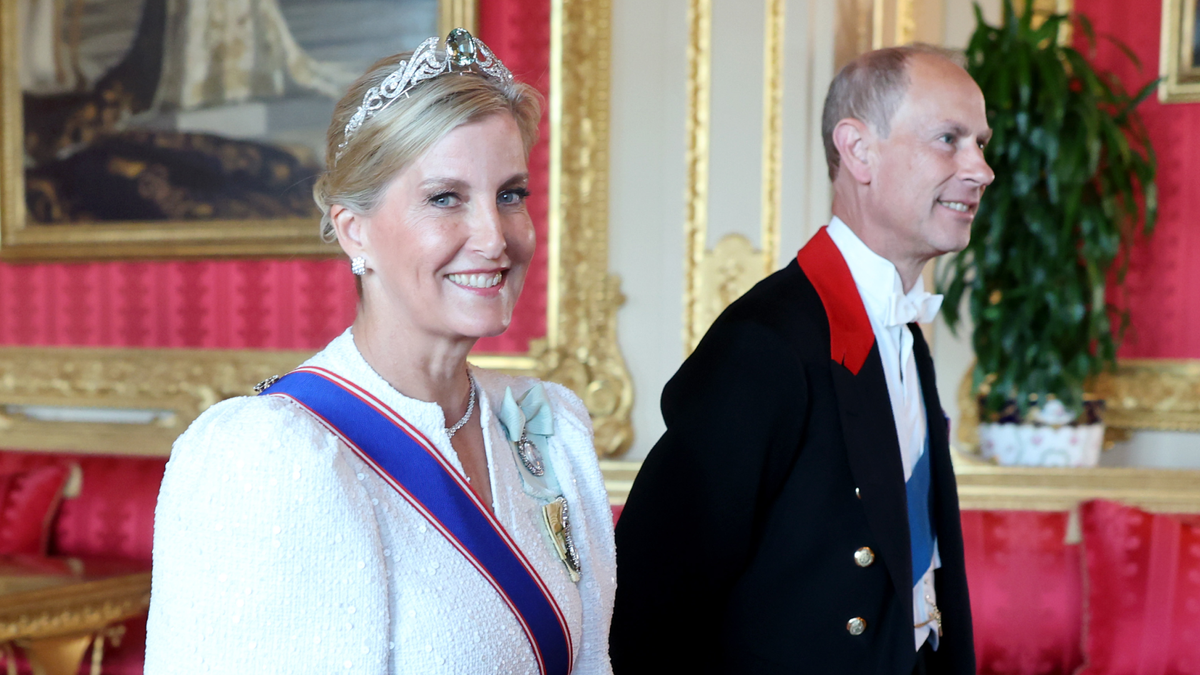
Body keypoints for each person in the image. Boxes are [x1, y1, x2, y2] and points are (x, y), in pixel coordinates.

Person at [145, 29, 615, 675]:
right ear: (353, 231)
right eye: (445, 198)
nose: (494, 237)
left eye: (510, 195)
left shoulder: (549, 424)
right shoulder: (269, 456)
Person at [609, 44, 993, 674]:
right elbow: (650, 603)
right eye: (949, 139)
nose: (980, 169)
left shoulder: (903, 329)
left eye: (979, 143)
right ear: (858, 150)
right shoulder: (765, 342)